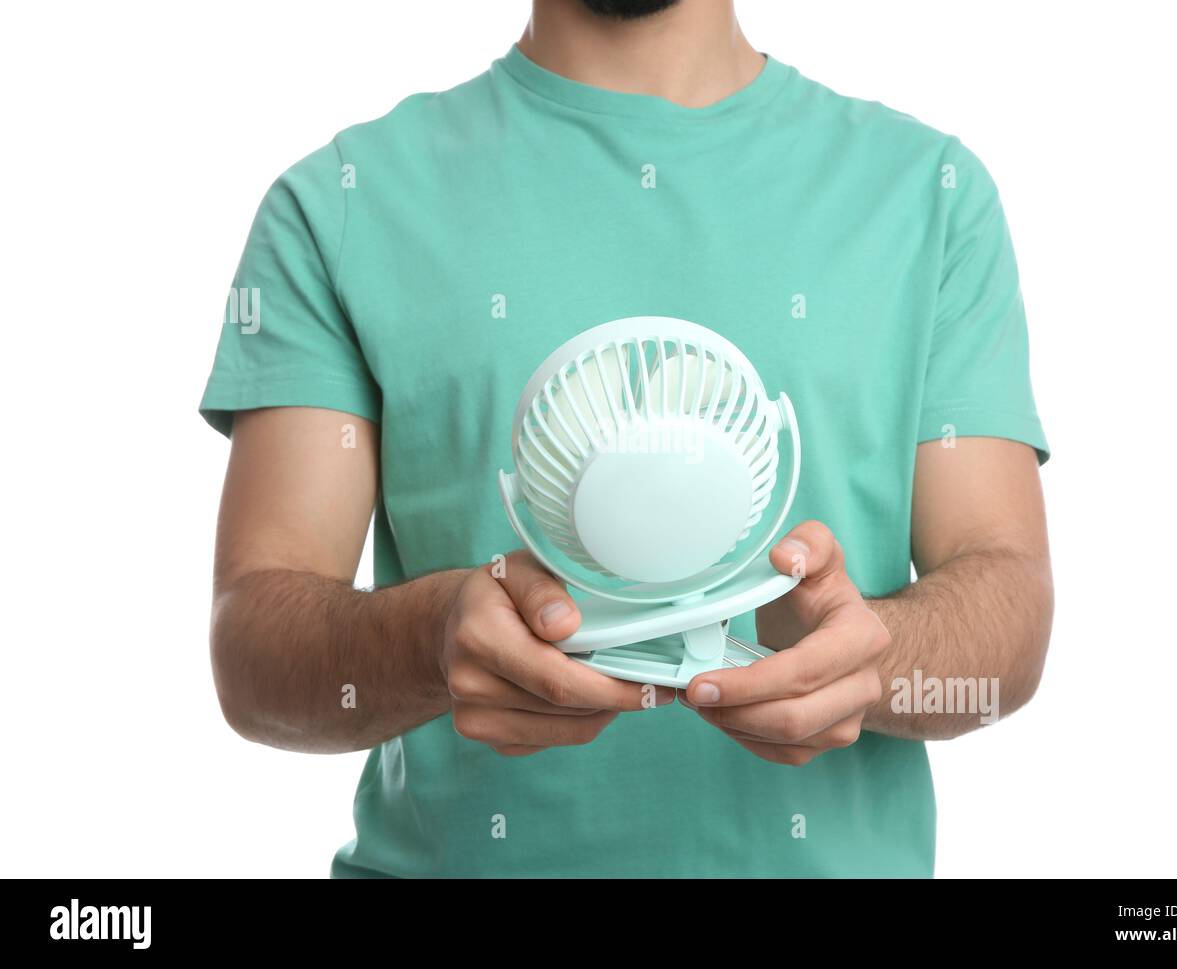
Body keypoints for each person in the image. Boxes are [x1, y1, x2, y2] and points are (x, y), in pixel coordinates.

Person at [201, 0, 1053, 877]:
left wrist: (874, 655)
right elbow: (255, 651)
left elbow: (1007, 602)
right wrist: (430, 638)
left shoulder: (927, 194)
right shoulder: (341, 202)